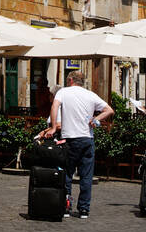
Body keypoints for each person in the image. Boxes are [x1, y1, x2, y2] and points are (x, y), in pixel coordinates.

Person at [38, 71, 114, 219]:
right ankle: (84, 209)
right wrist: (96, 119)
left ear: (71, 80)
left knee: (67, 174)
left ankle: (66, 206)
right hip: (87, 139)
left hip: (70, 138)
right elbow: (109, 110)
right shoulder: (90, 94)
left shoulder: (64, 92)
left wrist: (53, 127)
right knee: (86, 176)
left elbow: (54, 106)